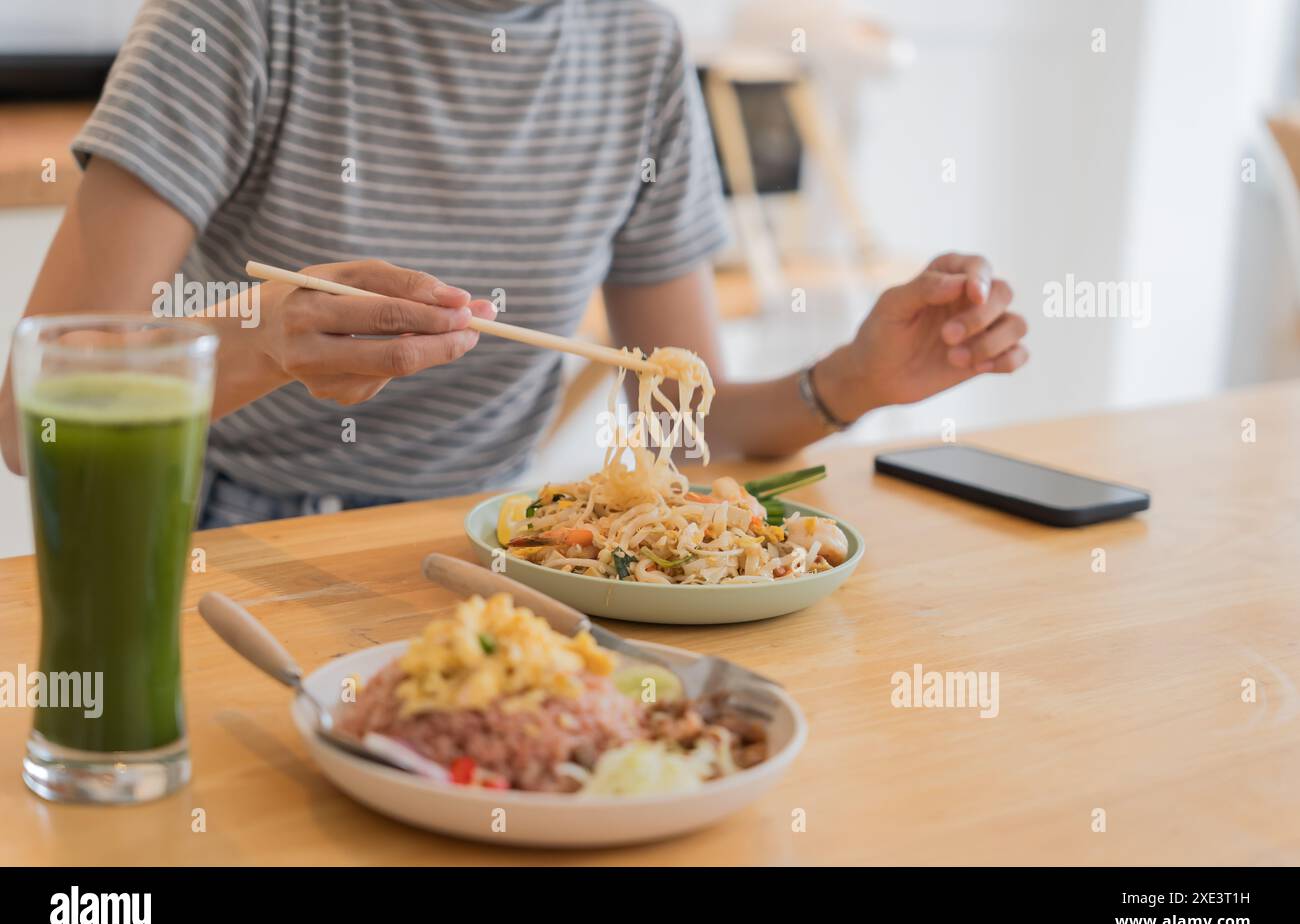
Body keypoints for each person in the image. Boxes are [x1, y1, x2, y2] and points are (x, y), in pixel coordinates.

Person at [0, 0, 1028, 528]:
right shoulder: (239, 21)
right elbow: (30, 409)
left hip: (491, 540)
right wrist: (267, 339)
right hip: (217, 529)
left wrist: (850, 380)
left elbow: (684, 426)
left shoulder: (633, 45)